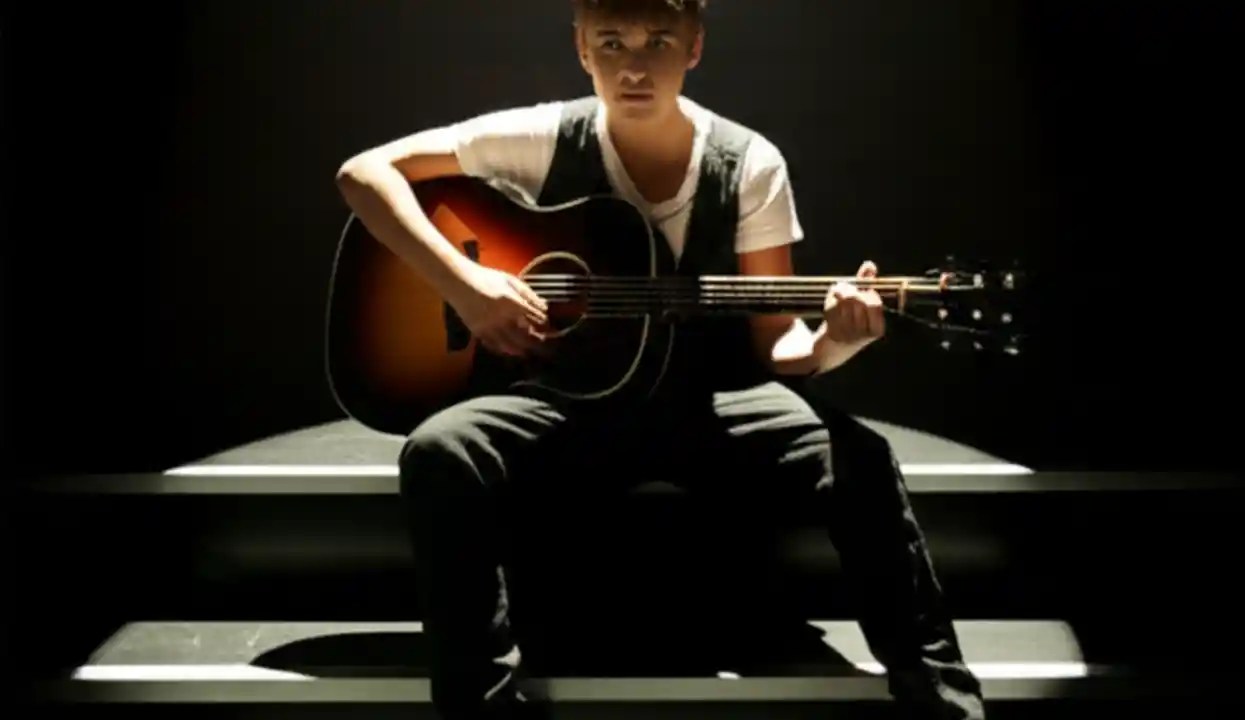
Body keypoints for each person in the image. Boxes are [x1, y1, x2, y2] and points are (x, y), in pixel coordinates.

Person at [335, 1, 986, 717]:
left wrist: (839, 338)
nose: (634, 66)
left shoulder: (748, 163)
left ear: (695, 46)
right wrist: (464, 285)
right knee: (438, 451)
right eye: (611, 43)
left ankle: (942, 701)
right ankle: (480, 708)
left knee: (858, 457)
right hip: (568, 401)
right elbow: (364, 174)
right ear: (583, 48)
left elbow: (778, 343)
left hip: (709, 403)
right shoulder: (546, 135)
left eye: (658, 42)